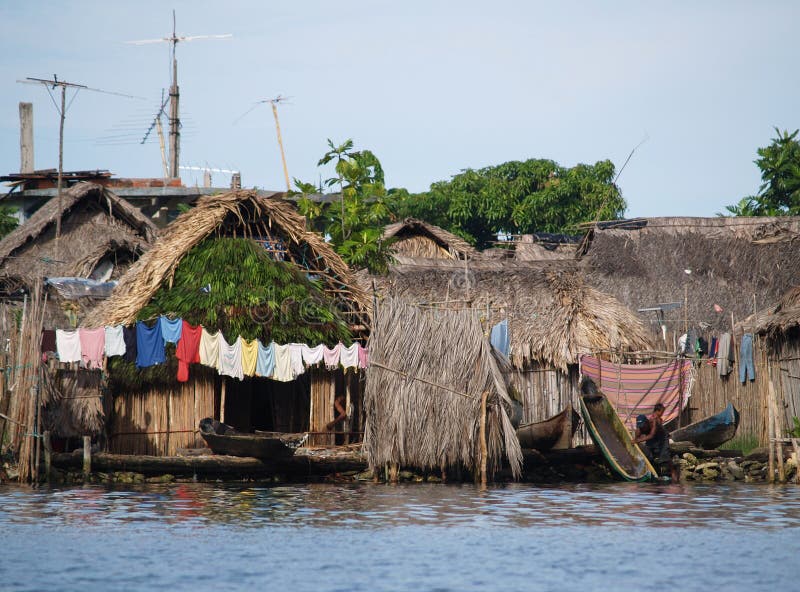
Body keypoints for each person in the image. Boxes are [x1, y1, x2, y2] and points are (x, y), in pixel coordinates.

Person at [634, 403, 677, 481]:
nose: (642, 427)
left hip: (662, 438)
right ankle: (655, 474)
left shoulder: (653, 421)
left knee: (665, 457)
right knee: (650, 455)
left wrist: (638, 440)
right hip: (652, 439)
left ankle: (673, 472)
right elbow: (636, 438)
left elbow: (651, 435)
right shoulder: (639, 428)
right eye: (640, 426)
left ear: (647, 422)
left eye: (643, 425)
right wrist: (635, 441)